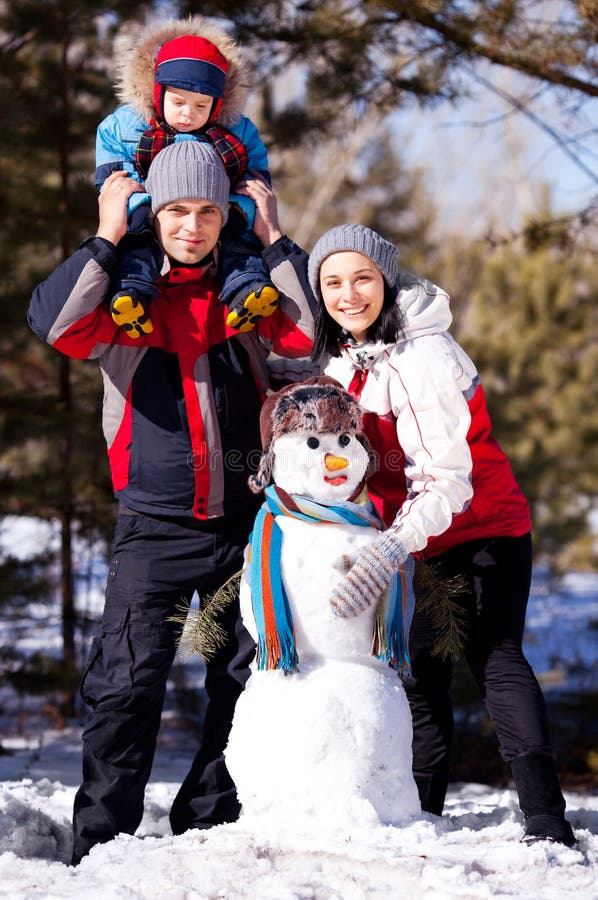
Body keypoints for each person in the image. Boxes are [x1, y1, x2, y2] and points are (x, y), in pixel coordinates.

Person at [27, 140, 315, 865]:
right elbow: (54, 324)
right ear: (154, 214)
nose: (192, 225)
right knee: (125, 684)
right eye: (176, 210)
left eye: (208, 211)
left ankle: (210, 818)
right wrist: (106, 234)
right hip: (153, 526)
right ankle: (102, 838)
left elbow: (308, 331)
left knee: (248, 682)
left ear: (226, 217)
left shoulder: (247, 293)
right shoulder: (129, 299)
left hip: (245, 525)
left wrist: (274, 237)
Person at [306, 223, 576, 847]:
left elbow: (446, 480)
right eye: (333, 283)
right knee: (421, 674)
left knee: (494, 657)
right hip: (413, 534)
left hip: (482, 526)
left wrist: (391, 548)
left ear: (386, 280)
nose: (348, 295)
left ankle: (545, 816)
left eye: (362, 279)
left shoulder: (420, 357)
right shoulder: (343, 356)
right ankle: (421, 812)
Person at [96, 15, 279, 337]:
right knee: (139, 243)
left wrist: (245, 200)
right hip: (149, 205)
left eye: (200, 106)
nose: (187, 114)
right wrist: (135, 199)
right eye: (178, 102)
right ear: (158, 93)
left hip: (217, 206)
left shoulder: (235, 131)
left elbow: (255, 169)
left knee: (237, 241)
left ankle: (248, 290)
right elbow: (112, 164)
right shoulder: (127, 125)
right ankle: (130, 295)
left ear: (216, 105)